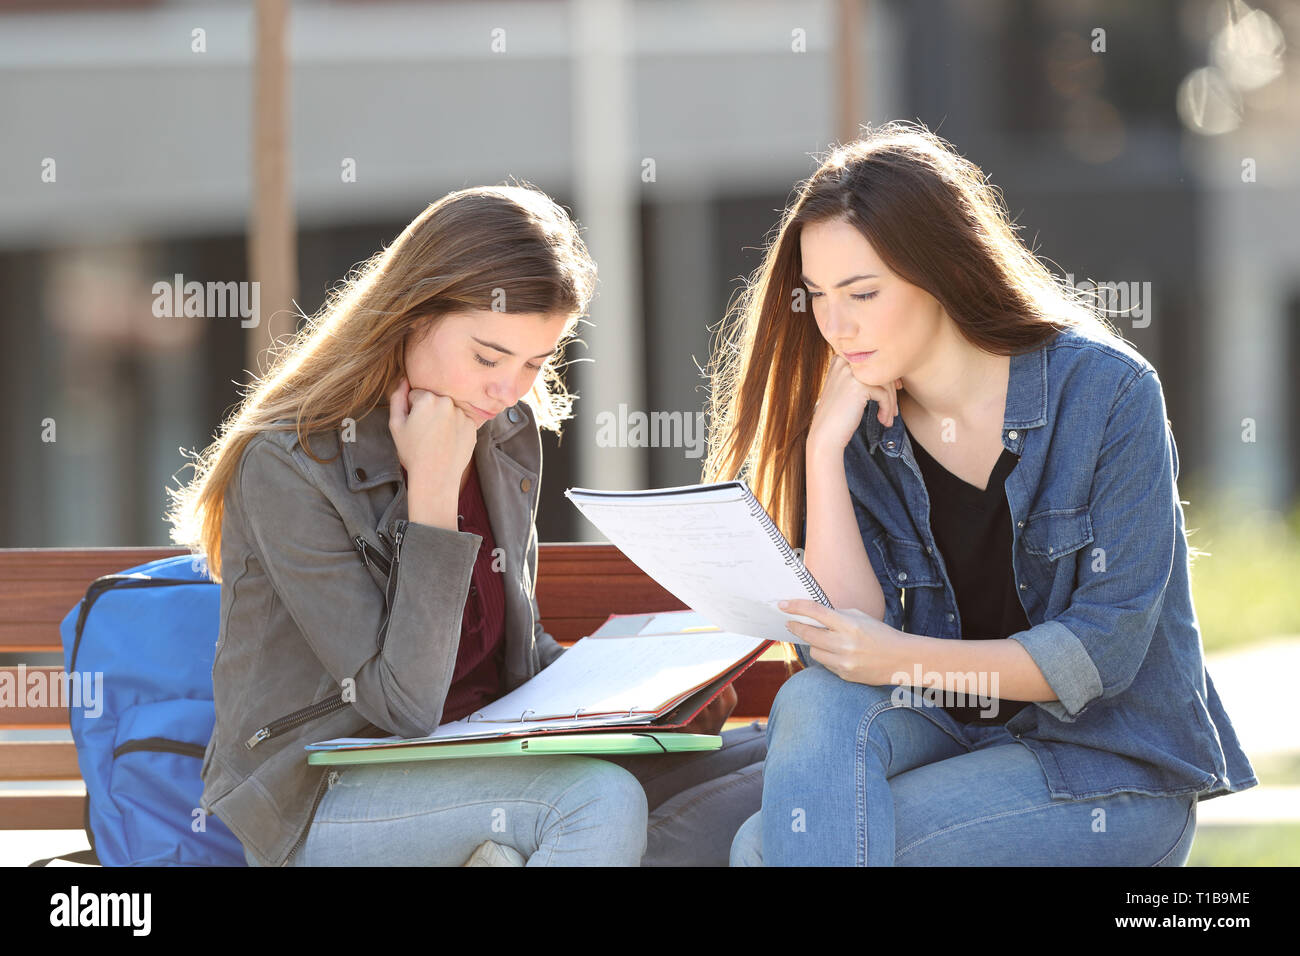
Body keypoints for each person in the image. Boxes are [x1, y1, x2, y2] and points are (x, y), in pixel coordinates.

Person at [701, 121, 1258, 866]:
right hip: (951, 738)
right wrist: (823, 451)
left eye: (863, 292)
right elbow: (846, 643)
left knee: (767, 849)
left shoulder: (1106, 393)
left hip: (1107, 769)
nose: (836, 325)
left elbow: (1101, 653)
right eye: (818, 297)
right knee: (812, 701)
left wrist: (901, 660)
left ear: (940, 271)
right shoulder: (860, 422)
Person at [167, 183, 764, 867]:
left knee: (776, 762)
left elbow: (511, 649)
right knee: (597, 803)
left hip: (489, 759)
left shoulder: (502, 431)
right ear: (412, 317)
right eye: (488, 357)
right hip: (322, 795)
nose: (508, 391)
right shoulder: (288, 466)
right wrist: (432, 496)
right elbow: (402, 706)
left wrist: (648, 705)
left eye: (535, 364)